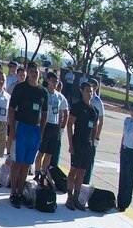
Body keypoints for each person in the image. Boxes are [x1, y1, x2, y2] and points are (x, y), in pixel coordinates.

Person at [7, 62, 49, 209]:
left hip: (35, 130)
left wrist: (41, 132)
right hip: (21, 127)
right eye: (31, 71)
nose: (34, 73)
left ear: (39, 73)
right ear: (27, 72)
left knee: (26, 164)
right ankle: (13, 193)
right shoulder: (20, 88)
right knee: (17, 162)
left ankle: (20, 192)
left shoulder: (43, 92)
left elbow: (44, 113)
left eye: (36, 71)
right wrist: (12, 130)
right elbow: (11, 109)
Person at [65, 81, 100, 211]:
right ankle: (69, 197)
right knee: (74, 170)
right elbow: (69, 125)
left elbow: (95, 128)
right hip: (78, 142)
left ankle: (76, 197)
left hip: (88, 145)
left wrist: (93, 143)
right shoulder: (77, 107)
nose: (89, 93)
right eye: (87, 91)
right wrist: (71, 144)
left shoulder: (94, 110)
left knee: (82, 172)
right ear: (82, 91)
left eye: (91, 91)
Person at [36, 72, 68, 181]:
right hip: (45, 125)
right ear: (48, 81)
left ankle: (43, 174)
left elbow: (64, 112)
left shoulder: (59, 96)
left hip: (54, 127)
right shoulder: (43, 93)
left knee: (49, 154)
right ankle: (37, 173)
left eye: (56, 82)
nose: (55, 83)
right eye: (53, 81)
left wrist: (61, 127)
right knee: (41, 152)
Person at [85, 80, 106, 186]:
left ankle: (85, 182)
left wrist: (97, 137)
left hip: (92, 132)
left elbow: (101, 121)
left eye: (93, 86)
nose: (91, 88)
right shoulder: (85, 98)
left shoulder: (97, 102)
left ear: (96, 88)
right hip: (84, 131)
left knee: (89, 160)